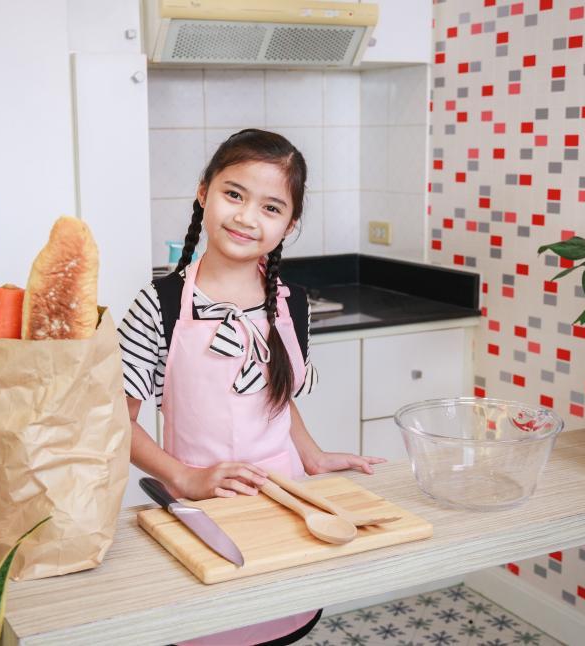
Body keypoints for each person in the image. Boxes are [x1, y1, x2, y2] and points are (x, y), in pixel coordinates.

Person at [119, 128, 385, 645]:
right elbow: (115, 424)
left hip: (287, 514)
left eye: (271, 207)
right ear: (204, 191)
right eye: (233, 194)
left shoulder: (292, 304)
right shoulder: (160, 304)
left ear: (289, 224)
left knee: (280, 627)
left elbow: (274, 399)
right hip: (200, 518)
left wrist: (311, 455)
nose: (245, 217)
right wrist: (187, 478)